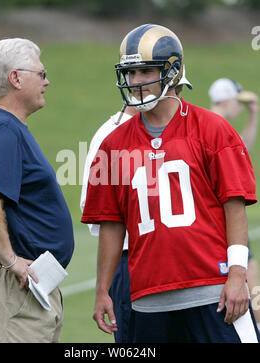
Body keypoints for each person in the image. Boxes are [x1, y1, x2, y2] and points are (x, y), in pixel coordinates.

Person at [81, 24, 260, 343]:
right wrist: (102, 289)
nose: (135, 82)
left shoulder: (212, 129)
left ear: (173, 72)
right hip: (147, 296)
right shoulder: (114, 144)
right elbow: (111, 224)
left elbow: (234, 207)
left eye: (145, 71)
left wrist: (236, 273)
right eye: (130, 72)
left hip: (212, 290)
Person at [0, 38, 74, 343]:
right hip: (14, 289)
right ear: (15, 78)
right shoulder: (4, 130)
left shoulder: (6, 127)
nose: (47, 81)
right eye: (41, 74)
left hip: (22, 291)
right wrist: (12, 261)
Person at [80, 69, 192, 343]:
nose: (177, 100)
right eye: (176, 91)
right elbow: (97, 209)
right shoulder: (111, 136)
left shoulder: (183, 131)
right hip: (133, 260)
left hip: (182, 265)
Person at [209, 78, 260, 331]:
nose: (239, 108)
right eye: (238, 103)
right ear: (228, 100)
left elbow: (243, 150)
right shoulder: (215, 127)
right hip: (225, 224)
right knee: (250, 292)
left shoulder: (211, 124)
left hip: (223, 224)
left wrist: (253, 116)